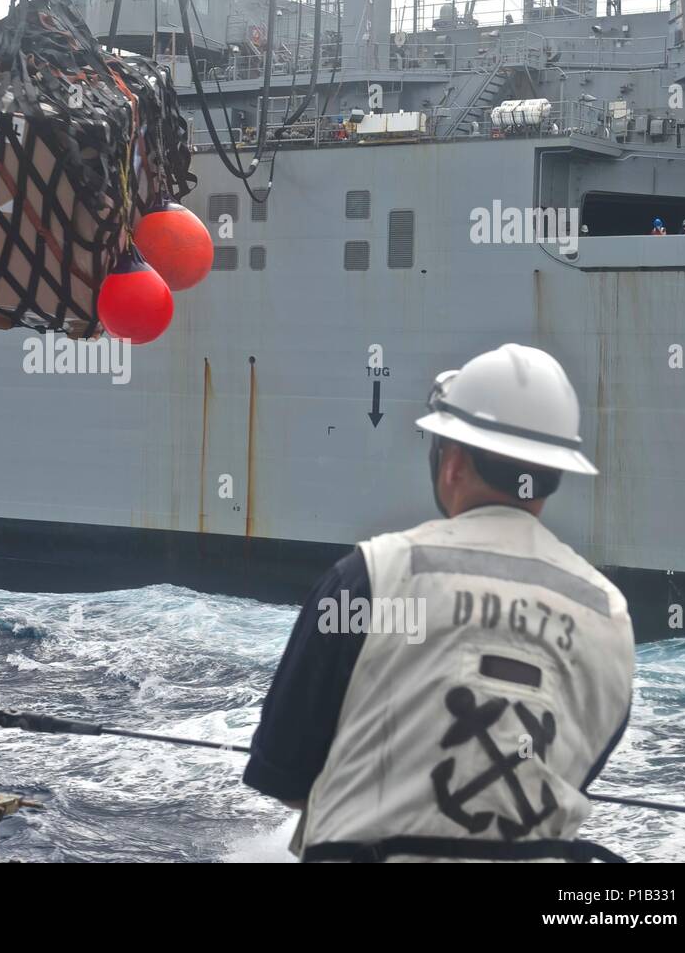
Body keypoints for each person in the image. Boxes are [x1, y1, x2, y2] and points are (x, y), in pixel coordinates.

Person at [244, 344, 635, 862]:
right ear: (552, 476)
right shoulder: (609, 615)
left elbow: (284, 772)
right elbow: (572, 771)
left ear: (451, 463)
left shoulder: (371, 576)